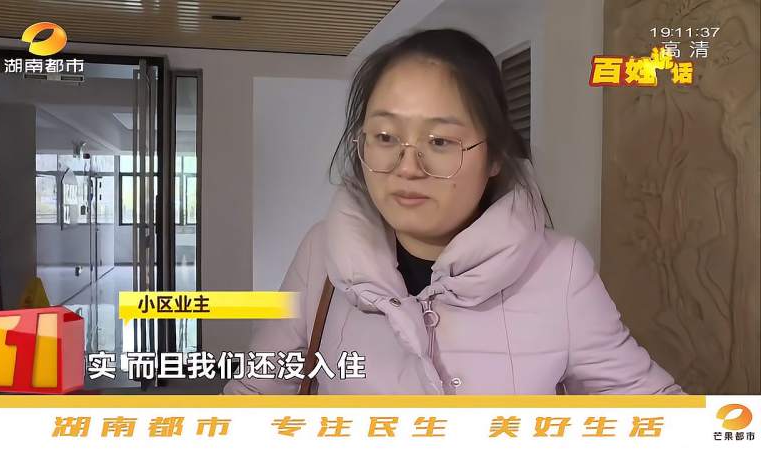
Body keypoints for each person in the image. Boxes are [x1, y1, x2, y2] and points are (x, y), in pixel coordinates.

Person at [224, 29, 684, 395]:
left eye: (440, 141)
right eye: (384, 137)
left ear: (495, 155)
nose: (407, 167)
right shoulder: (320, 252)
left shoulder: (560, 269)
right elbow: (254, 396)